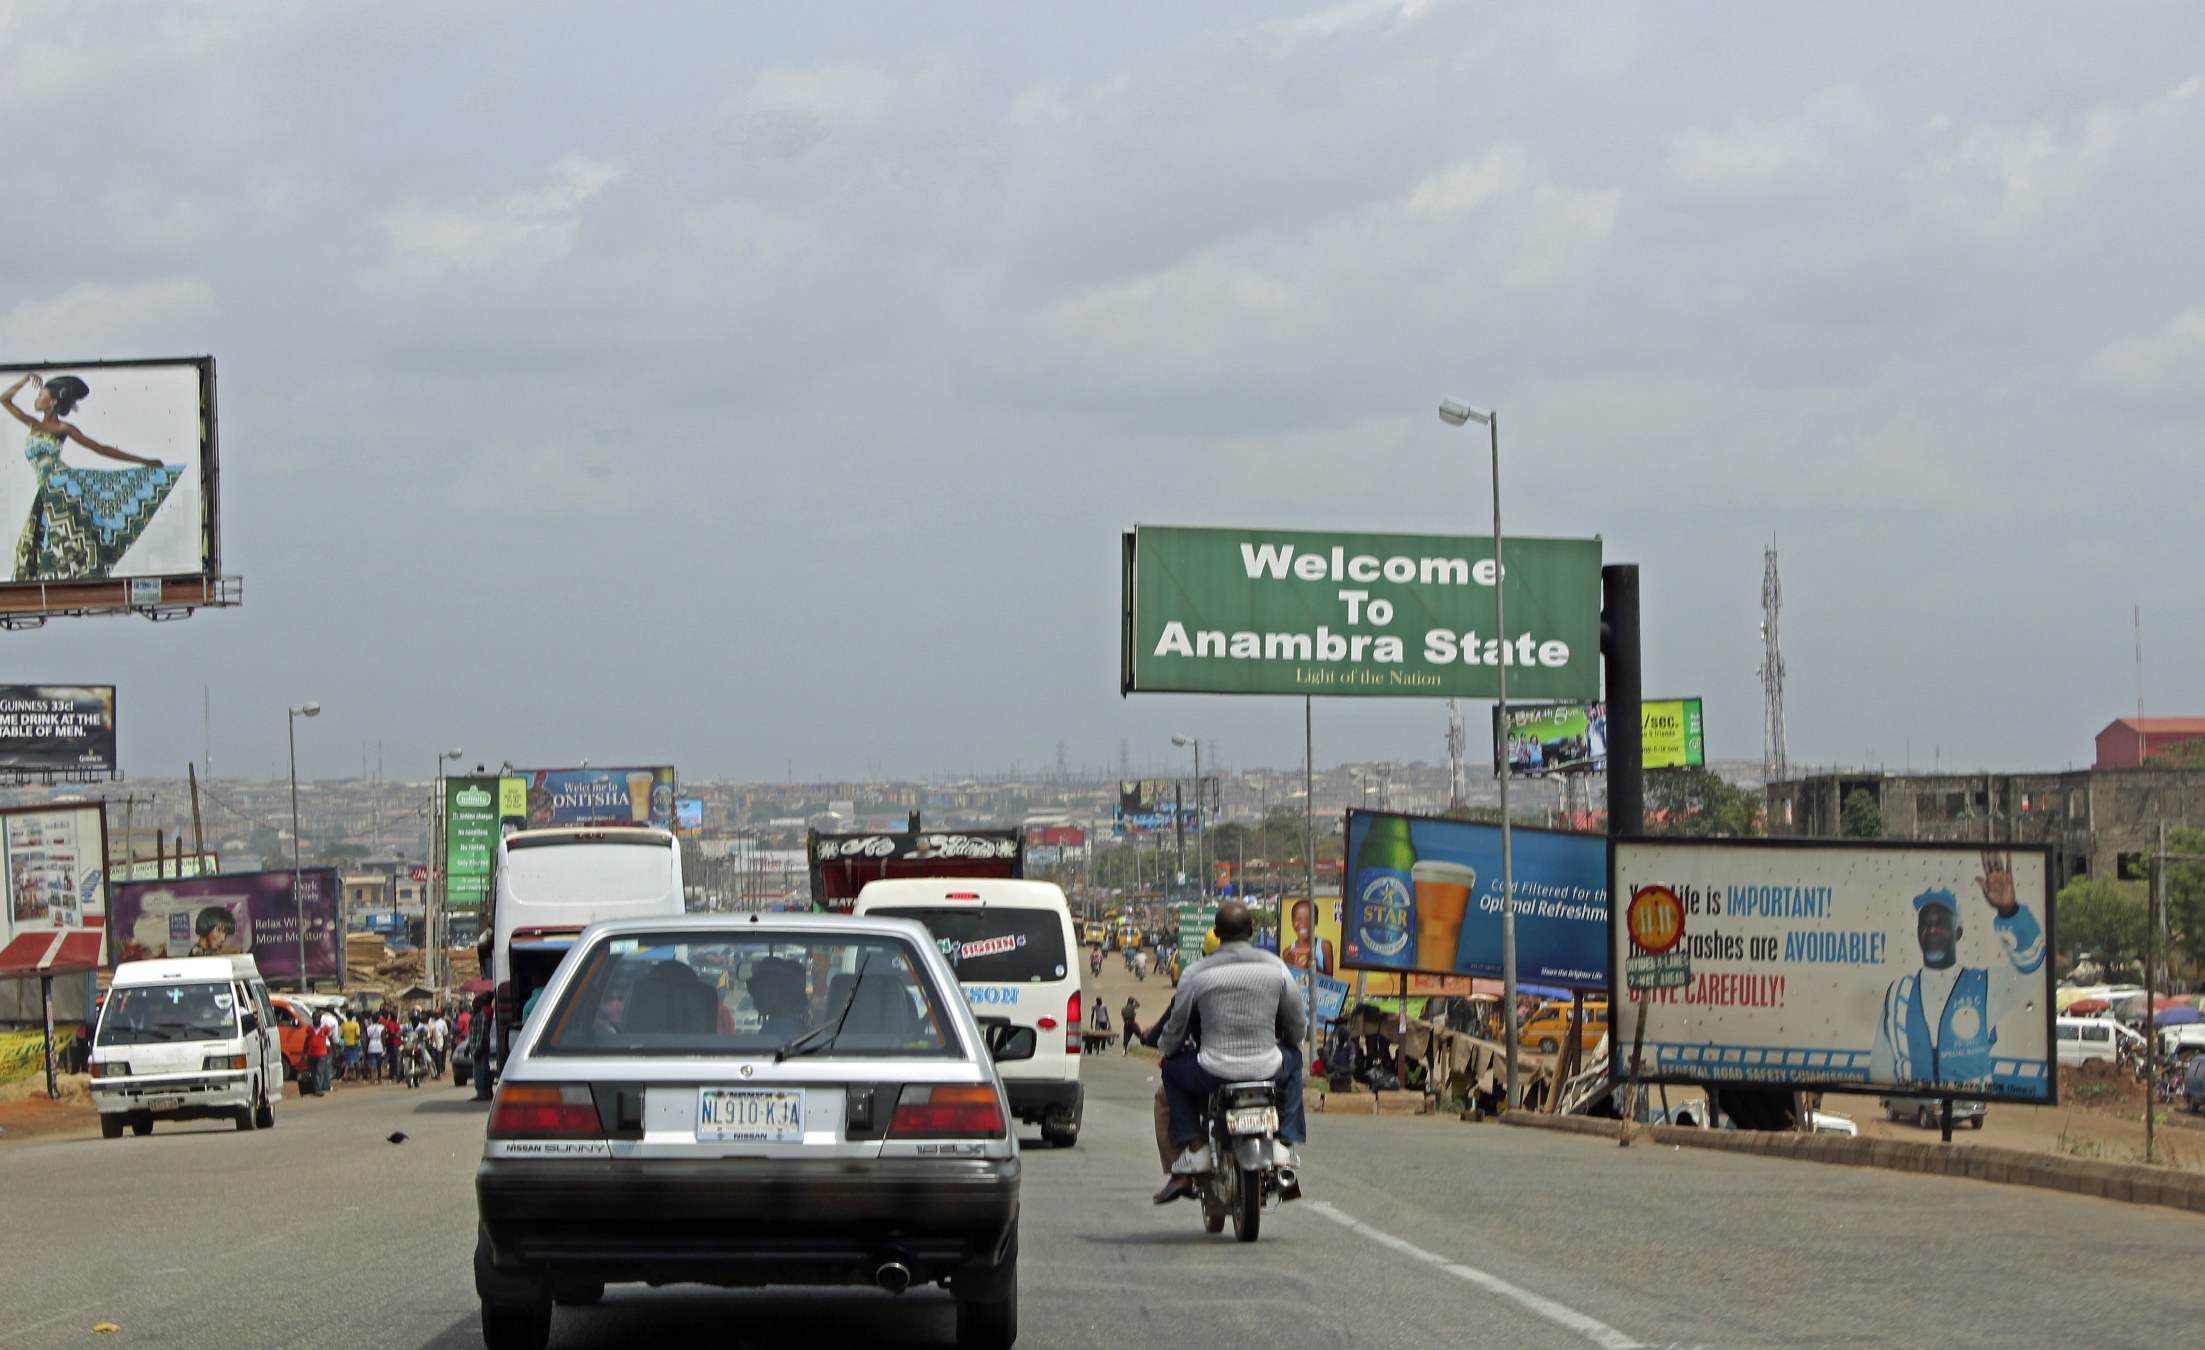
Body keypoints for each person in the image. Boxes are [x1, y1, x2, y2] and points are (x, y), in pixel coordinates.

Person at [1151, 901, 1308, 1205]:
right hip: (1267, 1067)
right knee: (1295, 1060)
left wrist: (1167, 1049)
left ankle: (1195, 1146)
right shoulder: (1276, 967)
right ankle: (1285, 1141)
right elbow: (1297, 1023)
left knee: (1170, 1069)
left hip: (1212, 1071)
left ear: (1217, 933)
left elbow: (1176, 1026)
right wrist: (1289, 1042)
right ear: (1252, 930)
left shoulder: (1196, 973)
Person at [1871, 851, 2046, 1092]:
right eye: (1925, 923)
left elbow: (2033, 964)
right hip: (1914, 1108)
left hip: (1968, 1104)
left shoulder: (1984, 985)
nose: (1932, 929)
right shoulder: (1898, 992)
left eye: (1941, 922)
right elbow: (1880, 1066)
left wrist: (2009, 911)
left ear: (1958, 932)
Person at [0, 372, 182, 582]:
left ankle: (74, 577)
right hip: (46, 488)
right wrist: (25, 379)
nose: (36, 399)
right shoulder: (34, 424)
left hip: (61, 485)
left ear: (53, 401)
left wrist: (144, 461)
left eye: (40, 395)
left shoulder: (63, 428)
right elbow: (4, 399)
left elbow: (100, 449)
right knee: (41, 535)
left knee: (64, 534)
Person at [1282, 898, 1336, 976]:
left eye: (1310, 918)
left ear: (1316, 921)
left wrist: (1313, 967)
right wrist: (1293, 967)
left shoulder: (1324, 947)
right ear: (1292, 921)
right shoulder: (1288, 952)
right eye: (1298, 919)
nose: (1304, 923)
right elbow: (1289, 979)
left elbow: (1330, 979)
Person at [306, 1015, 332, 1095]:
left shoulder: (326, 1028)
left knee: (319, 1071)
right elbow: (306, 1041)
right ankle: (315, 1088)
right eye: (314, 1019)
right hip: (311, 1054)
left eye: (317, 1019)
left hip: (322, 1053)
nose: (316, 1021)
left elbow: (331, 1039)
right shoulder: (309, 1029)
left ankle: (318, 1089)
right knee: (313, 1072)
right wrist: (304, 1053)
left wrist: (334, 1049)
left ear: (320, 1019)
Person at [363, 1014, 387, 1083]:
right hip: (379, 1046)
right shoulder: (382, 1027)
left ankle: (372, 1078)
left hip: (371, 1045)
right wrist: (384, 1047)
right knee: (379, 1064)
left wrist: (366, 1047)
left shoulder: (369, 1028)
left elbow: (367, 1039)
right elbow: (383, 1038)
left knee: (372, 1064)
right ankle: (379, 1078)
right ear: (378, 1019)